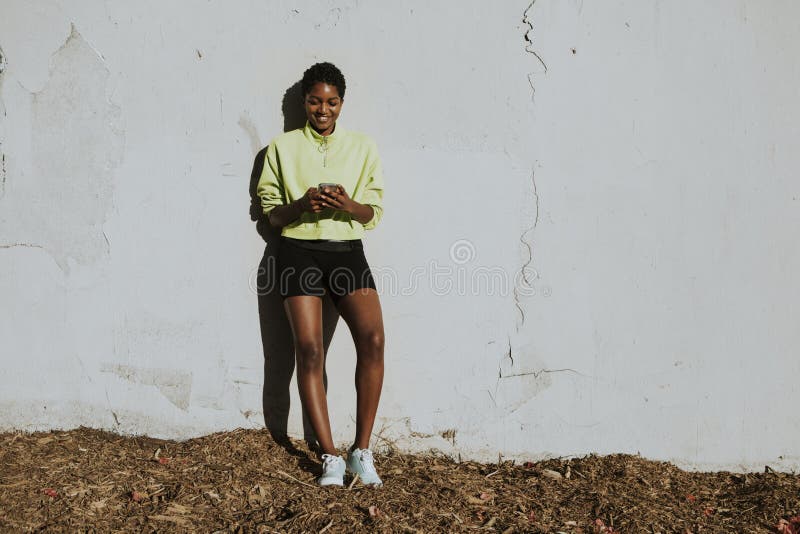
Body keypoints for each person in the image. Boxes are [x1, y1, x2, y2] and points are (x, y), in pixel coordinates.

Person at [256, 62, 385, 487]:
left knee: (373, 340)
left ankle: (360, 451)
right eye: (315, 101)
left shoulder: (363, 147)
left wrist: (347, 205)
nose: (323, 109)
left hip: (347, 252)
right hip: (297, 254)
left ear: (342, 104)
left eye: (331, 102)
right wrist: (301, 206)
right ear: (304, 103)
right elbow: (272, 215)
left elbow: (373, 213)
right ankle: (329, 454)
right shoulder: (281, 148)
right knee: (309, 350)